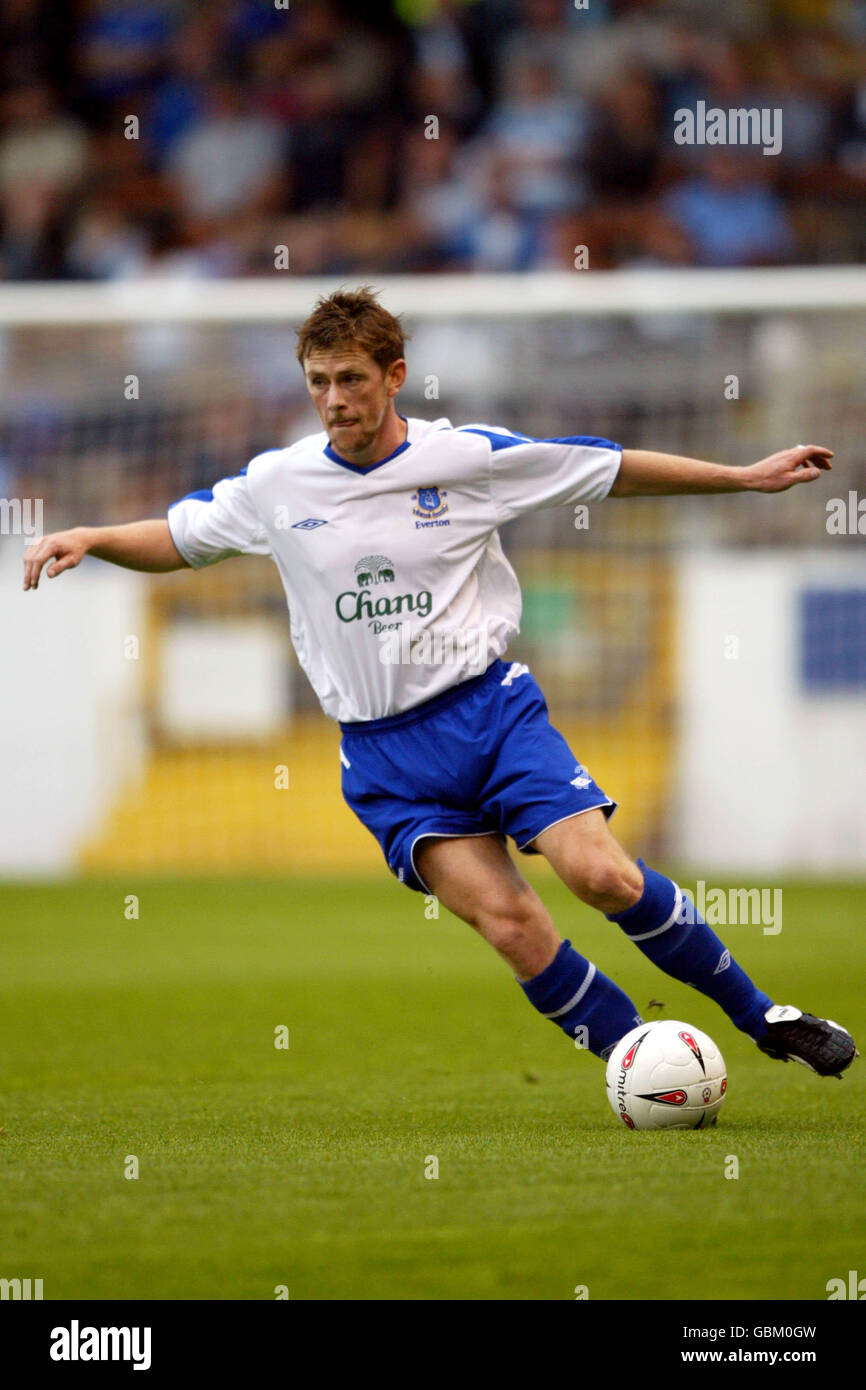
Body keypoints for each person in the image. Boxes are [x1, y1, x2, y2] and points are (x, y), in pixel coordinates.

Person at [23, 287, 856, 1079]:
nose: (335, 399)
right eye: (318, 381)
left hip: (491, 714)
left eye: (351, 379)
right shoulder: (278, 485)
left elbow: (609, 469)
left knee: (602, 877)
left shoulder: (465, 458)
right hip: (386, 759)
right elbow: (178, 537)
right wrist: (92, 535)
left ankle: (764, 1017)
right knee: (514, 925)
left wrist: (745, 477)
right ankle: (647, 1065)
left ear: (394, 377)